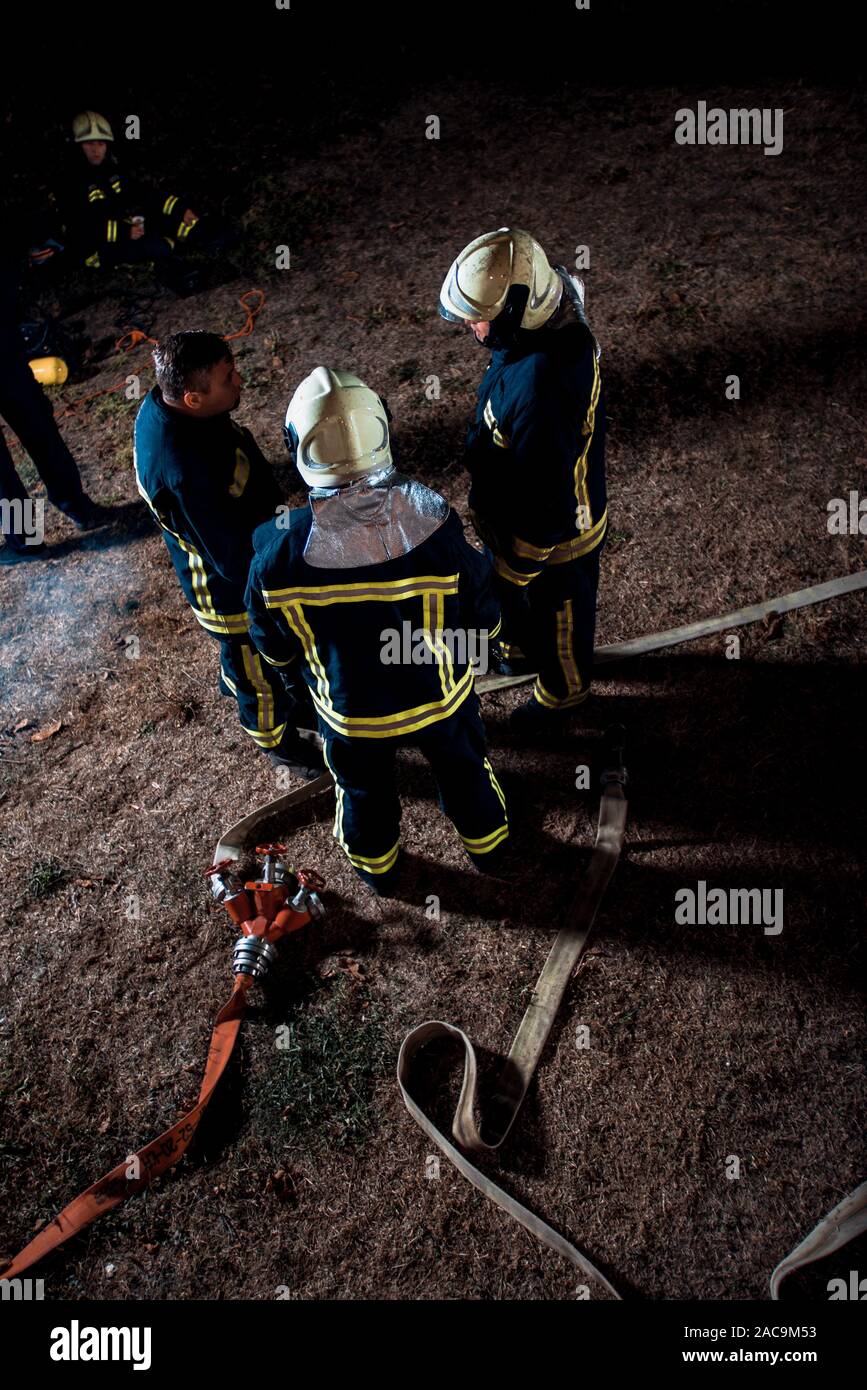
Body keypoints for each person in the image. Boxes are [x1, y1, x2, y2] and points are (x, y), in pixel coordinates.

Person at [245, 367, 508, 894]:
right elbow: (483, 611)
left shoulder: (275, 555)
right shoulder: (434, 523)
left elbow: (271, 643)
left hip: (348, 714)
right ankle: (490, 845)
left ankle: (376, 866)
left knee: (361, 789)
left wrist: (306, 691)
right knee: (465, 771)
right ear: (381, 431)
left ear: (300, 448)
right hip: (440, 701)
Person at [439, 227, 608, 732]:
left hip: (554, 543)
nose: (471, 325)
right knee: (518, 604)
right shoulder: (534, 328)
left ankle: (564, 693)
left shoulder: (544, 385)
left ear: (514, 312)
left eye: (479, 317)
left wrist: (514, 567)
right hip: (513, 526)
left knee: (560, 615)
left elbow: (546, 503)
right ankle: (517, 649)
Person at [133, 330, 321, 778]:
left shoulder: (172, 406)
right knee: (251, 661)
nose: (240, 381)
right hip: (228, 592)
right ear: (193, 399)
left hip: (246, 540)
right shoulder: (184, 472)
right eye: (227, 377)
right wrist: (284, 561)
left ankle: (260, 687)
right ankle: (275, 738)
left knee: (258, 656)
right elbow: (233, 559)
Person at [31, 112, 231, 294]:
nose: (96, 150)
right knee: (155, 246)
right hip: (96, 251)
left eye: (101, 143)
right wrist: (124, 231)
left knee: (181, 224)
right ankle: (179, 272)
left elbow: (142, 194)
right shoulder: (69, 183)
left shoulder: (109, 171)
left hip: (125, 229)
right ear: (76, 146)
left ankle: (218, 247)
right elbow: (80, 230)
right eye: (89, 143)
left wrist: (180, 209)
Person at [0, 259, 105, 561]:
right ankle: (79, 507)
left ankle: (27, 540)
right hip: (5, 346)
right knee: (40, 430)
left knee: (4, 467)